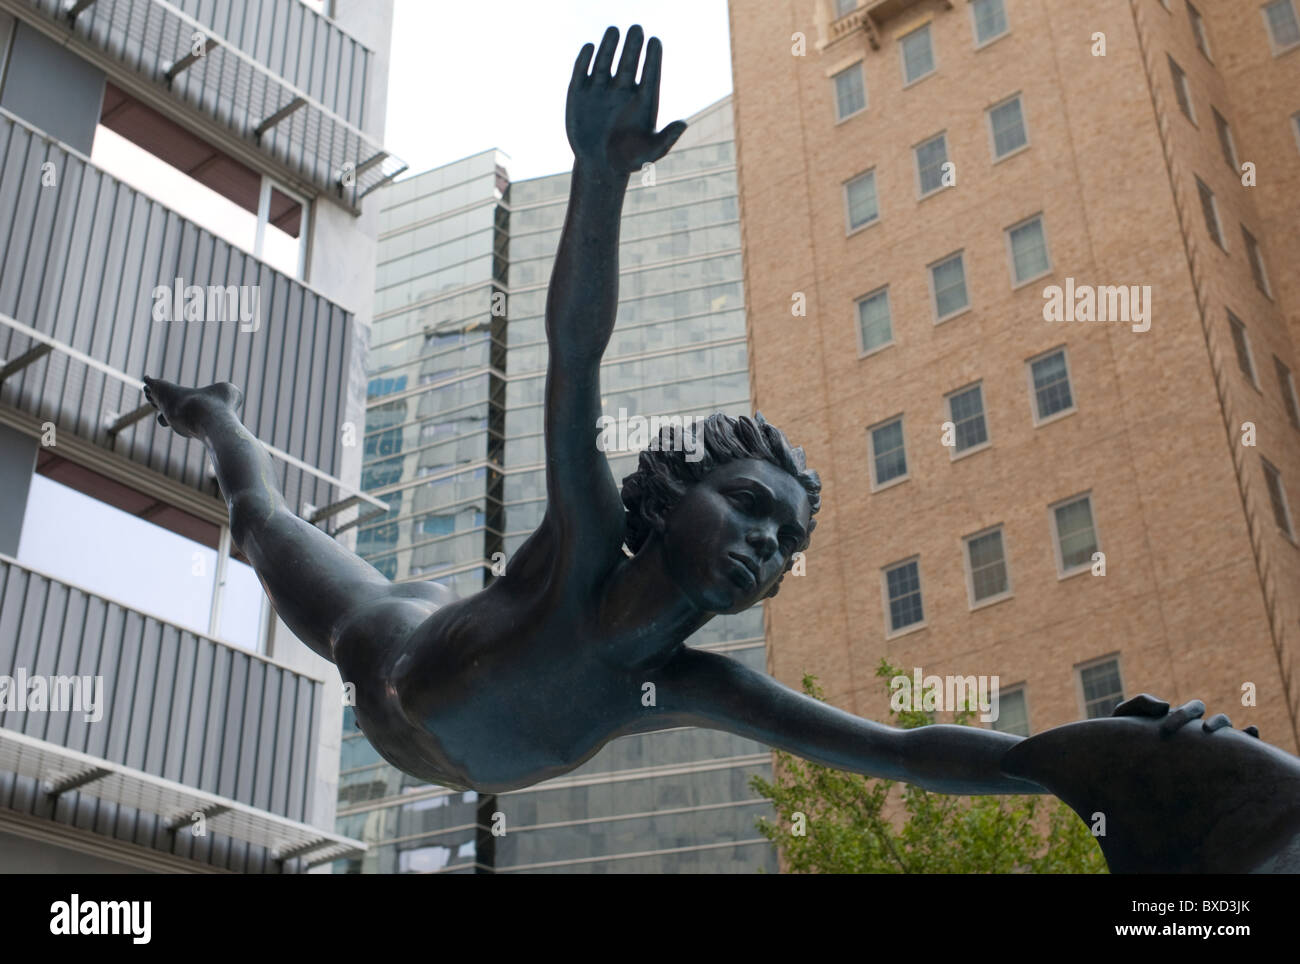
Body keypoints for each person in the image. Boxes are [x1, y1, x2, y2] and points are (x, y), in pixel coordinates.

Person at [144, 26, 1193, 798]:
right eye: (747, 506)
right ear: (672, 496)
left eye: (783, 543)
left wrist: (1101, 760)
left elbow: (907, 751)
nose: (764, 545)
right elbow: (573, 353)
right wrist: (602, 179)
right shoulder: (584, 543)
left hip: (436, 727)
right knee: (258, 523)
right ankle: (219, 411)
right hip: (382, 645)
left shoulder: (695, 684)